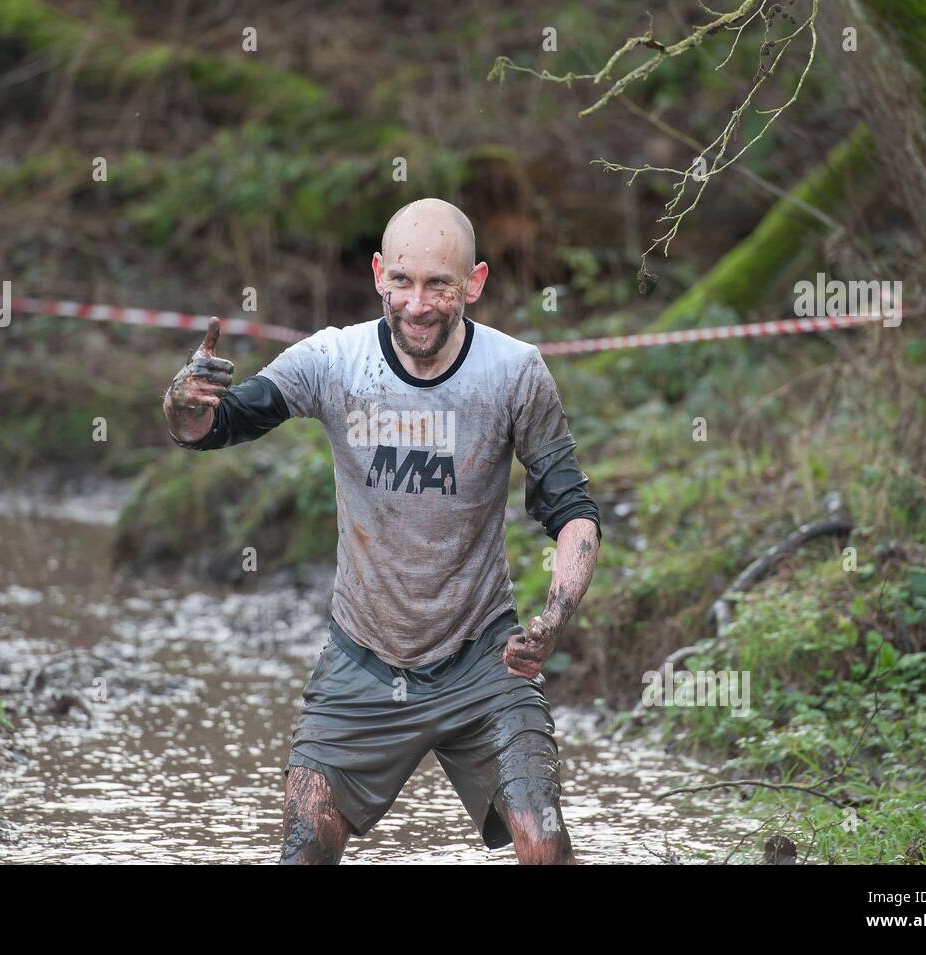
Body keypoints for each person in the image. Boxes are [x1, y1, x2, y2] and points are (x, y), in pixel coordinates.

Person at [162, 198, 601, 864]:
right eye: (402, 281)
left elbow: (572, 509)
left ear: (474, 283)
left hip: (484, 655)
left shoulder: (514, 373)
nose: (418, 304)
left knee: (542, 841)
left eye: (438, 285)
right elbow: (219, 425)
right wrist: (184, 405)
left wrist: (553, 617)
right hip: (362, 655)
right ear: (377, 275)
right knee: (304, 846)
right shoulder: (335, 361)